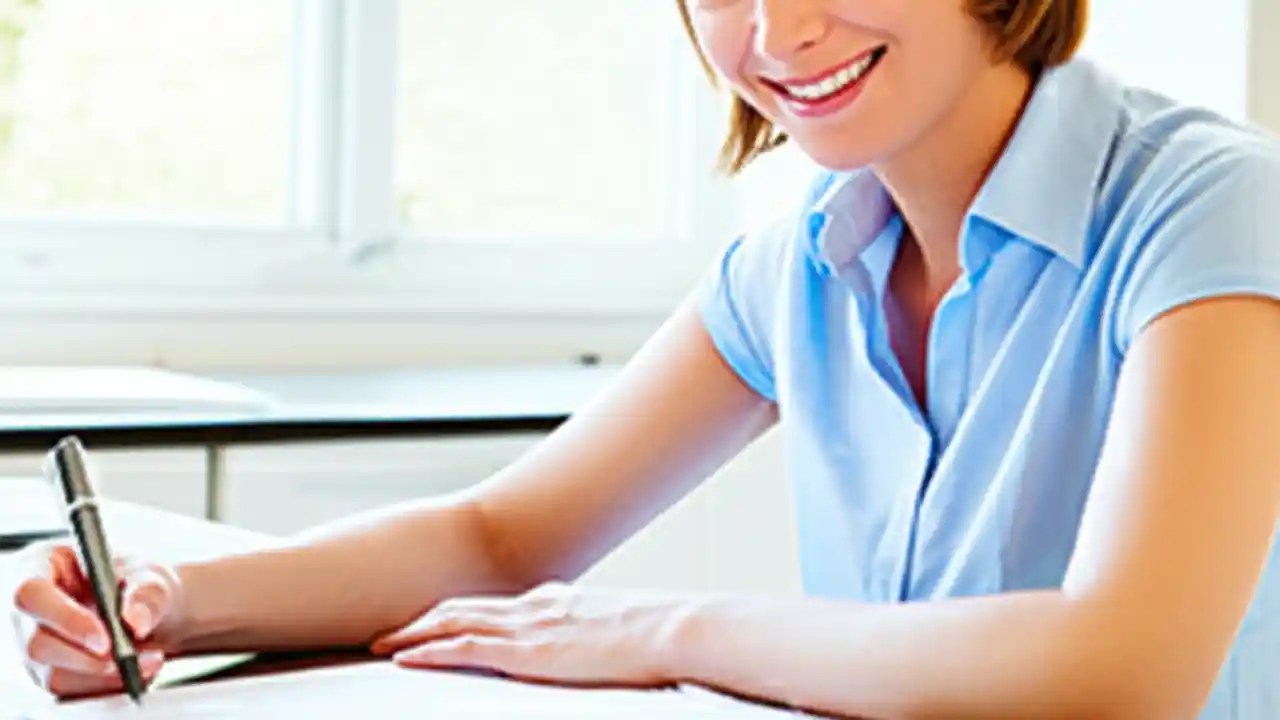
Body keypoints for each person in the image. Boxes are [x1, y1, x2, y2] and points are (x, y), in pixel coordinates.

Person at [11, 0, 1280, 716]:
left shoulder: (1211, 205)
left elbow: (1123, 666)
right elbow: (502, 540)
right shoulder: (797, 260)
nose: (774, 31)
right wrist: (171, 601)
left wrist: (663, 629)